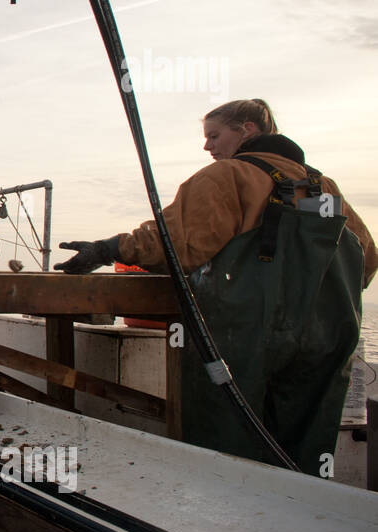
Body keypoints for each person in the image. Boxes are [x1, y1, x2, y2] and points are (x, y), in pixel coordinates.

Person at [55, 100, 376, 471]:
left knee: (226, 445)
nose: (208, 147)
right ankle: (296, 519)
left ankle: (227, 520)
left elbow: (177, 243)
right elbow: (366, 259)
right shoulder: (324, 188)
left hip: (244, 338)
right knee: (301, 446)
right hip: (324, 343)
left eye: (214, 135)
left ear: (247, 131)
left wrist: (108, 249)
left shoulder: (230, 177)